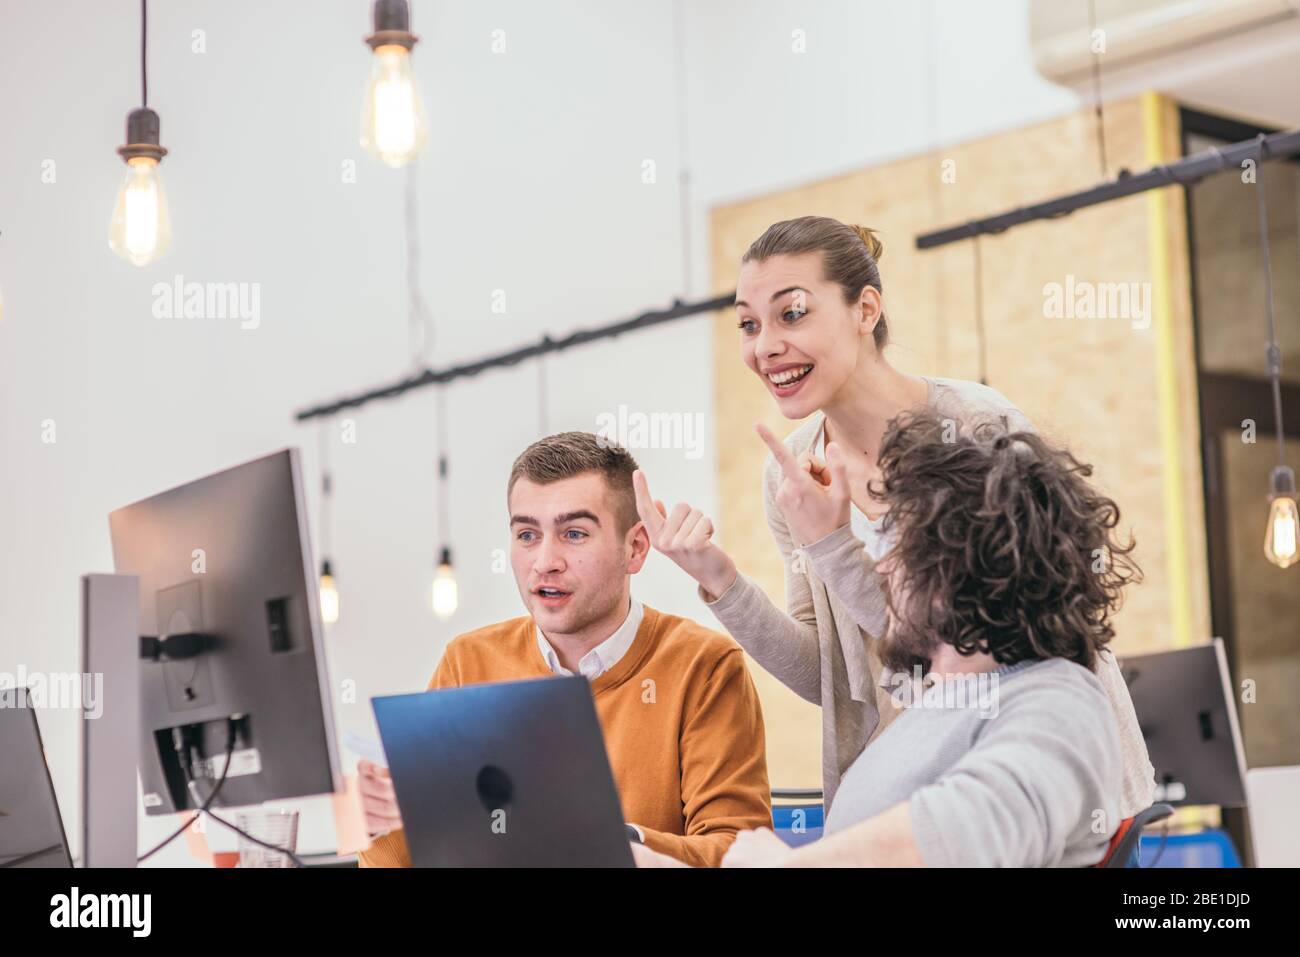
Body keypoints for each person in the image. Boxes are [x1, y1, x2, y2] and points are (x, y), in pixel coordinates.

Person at [634, 214, 1155, 821]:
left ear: (865, 310)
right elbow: (833, 683)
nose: (765, 345)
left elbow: (981, 644)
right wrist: (721, 582)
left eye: (792, 312)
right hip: (932, 802)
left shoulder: (974, 425)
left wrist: (832, 545)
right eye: (749, 324)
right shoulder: (790, 473)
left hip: (1049, 795)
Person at [640, 410, 1138, 867]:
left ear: (964, 569)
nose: (882, 565)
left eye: (900, 547)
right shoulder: (931, 705)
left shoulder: (1056, 698)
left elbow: (968, 834)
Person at [356, 431, 771, 868]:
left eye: (573, 534)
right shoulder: (467, 661)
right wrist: (379, 820)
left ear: (635, 548)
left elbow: (738, 852)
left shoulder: (704, 666)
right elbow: (404, 853)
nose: (545, 561)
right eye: (527, 535)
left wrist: (607, 838)